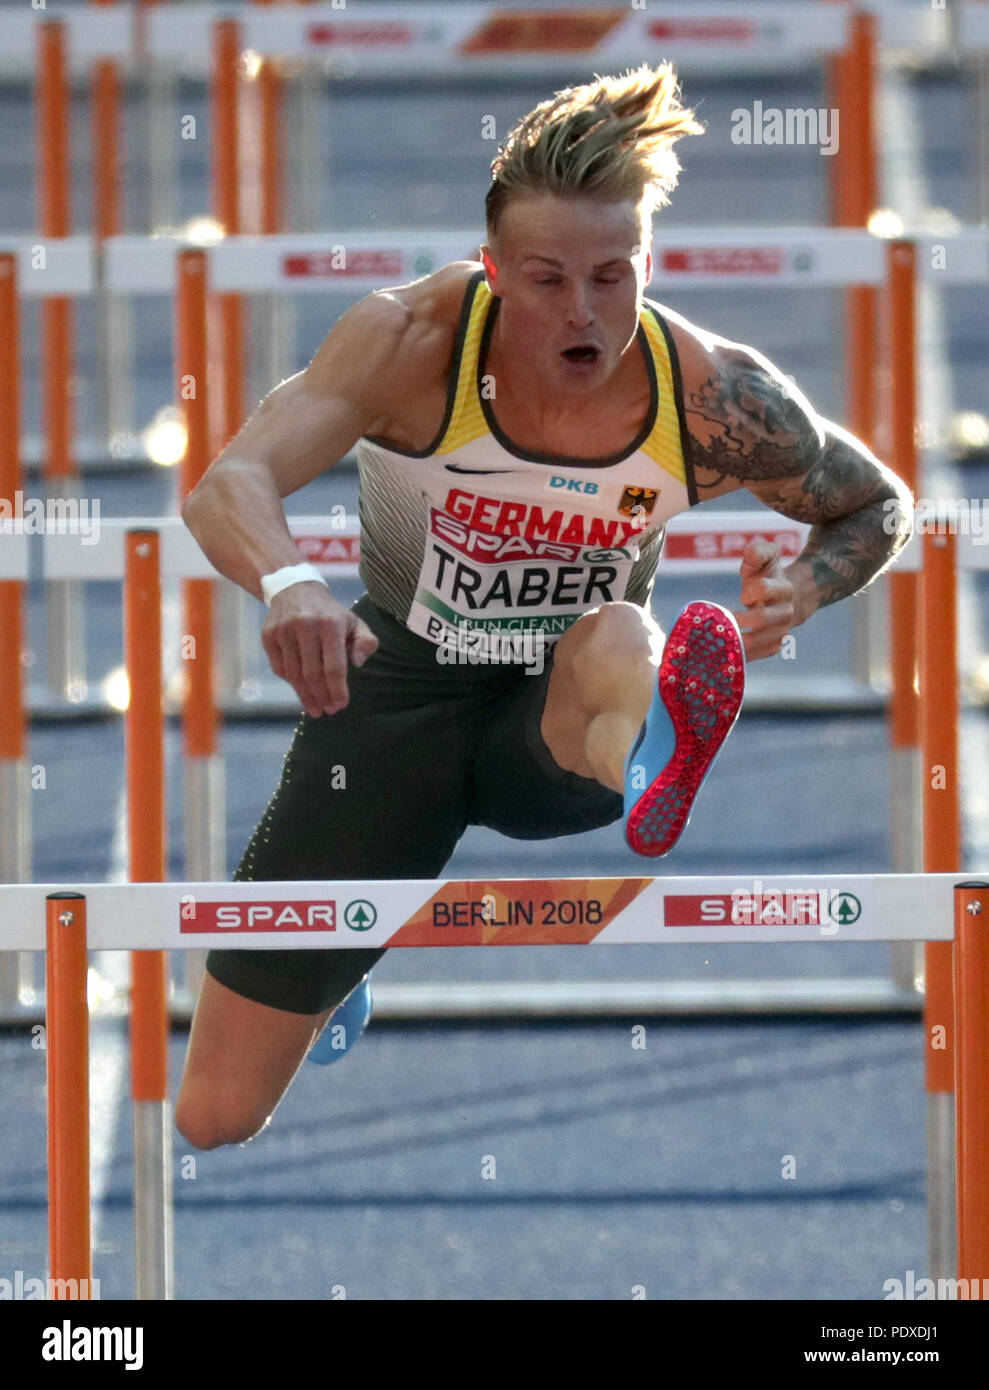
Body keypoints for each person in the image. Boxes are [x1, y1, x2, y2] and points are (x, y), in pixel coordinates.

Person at [174, 65, 913, 1150]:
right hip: (392, 712)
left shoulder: (707, 393)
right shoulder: (407, 342)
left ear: (645, 266)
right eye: (548, 279)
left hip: (559, 716)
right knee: (214, 1117)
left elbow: (874, 503)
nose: (583, 312)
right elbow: (226, 484)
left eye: (613, 277)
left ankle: (656, 751)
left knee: (621, 635)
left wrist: (802, 586)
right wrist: (289, 583)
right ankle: (342, 969)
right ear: (491, 271)